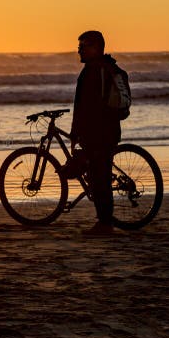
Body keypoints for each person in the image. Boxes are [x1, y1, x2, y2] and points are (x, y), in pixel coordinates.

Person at [70, 30, 124, 236]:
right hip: (109, 130)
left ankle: (105, 224)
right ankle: (105, 221)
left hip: (98, 133)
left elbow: (84, 107)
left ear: (95, 48)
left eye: (83, 46)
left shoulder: (93, 71)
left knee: (99, 178)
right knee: (99, 175)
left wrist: (77, 131)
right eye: (79, 46)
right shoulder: (110, 67)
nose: (79, 50)